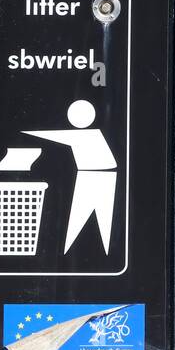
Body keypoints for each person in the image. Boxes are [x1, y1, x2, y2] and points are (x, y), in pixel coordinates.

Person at [23, 100, 117, 253]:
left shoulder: (89, 136)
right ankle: (72, 252)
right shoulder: (92, 135)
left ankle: (96, 253)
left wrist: (29, 132)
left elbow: (60, 136)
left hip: (95, 178)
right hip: (97, 176)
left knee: (88, 221)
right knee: (82, 222)